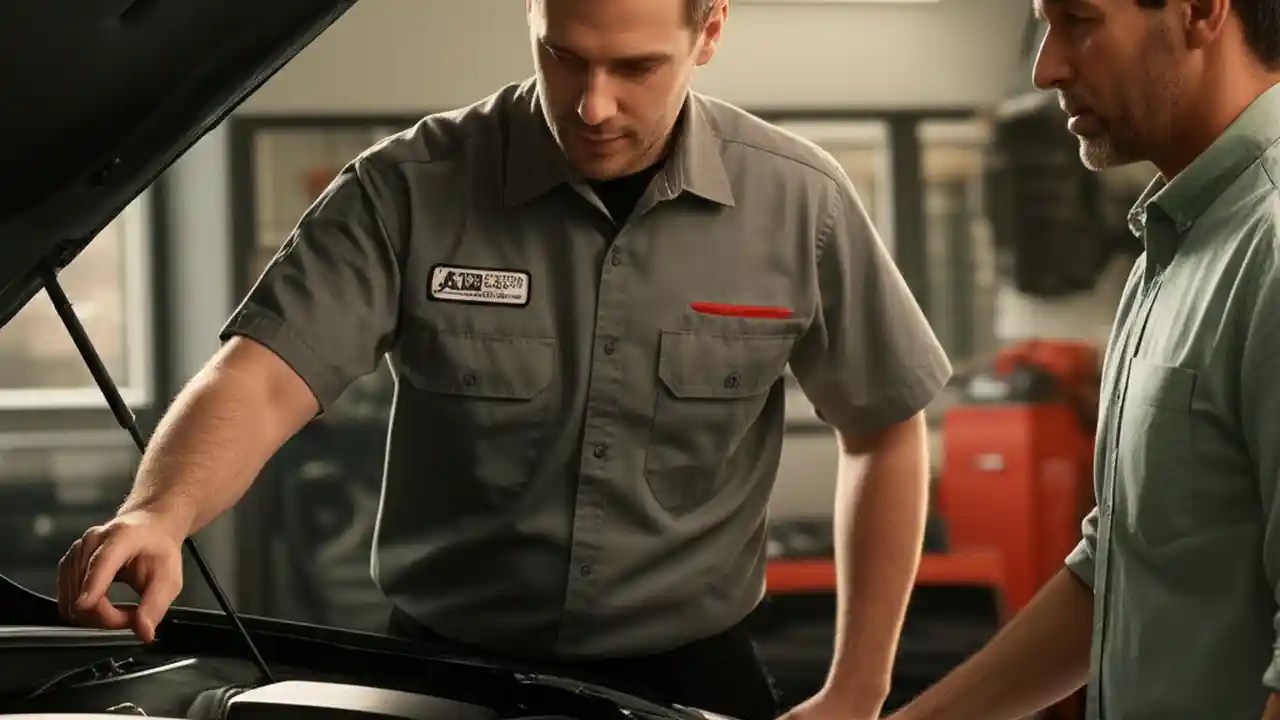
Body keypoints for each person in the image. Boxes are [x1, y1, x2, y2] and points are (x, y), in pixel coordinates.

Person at [55, 0, 951, 718]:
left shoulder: (803, 204)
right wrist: (161, 514)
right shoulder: (410, 185)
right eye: (564, 56)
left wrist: (858, 689)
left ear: (708, 31)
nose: (593, 106)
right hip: (441, 673)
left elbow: (883, 430)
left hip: (692, 680)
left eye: (635, 67)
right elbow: (261, 375)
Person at [886, 0, 1280, 719]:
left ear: (1198, 12)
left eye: (1080, 21)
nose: (1045, 68)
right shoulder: (1172, 248)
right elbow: (1123, 564)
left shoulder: (1272, 243)